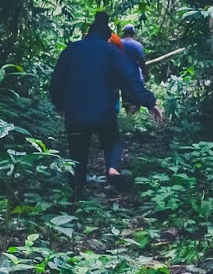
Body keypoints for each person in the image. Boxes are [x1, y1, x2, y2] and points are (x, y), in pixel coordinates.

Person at [50, 12, 162, 193]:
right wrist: (149, 102)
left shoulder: (71, 50)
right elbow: (130, 80)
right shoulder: (112, 51)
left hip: (76, 113)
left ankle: (76, 195)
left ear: (88, 33)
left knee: (77, 156)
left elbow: (56, 81)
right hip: (104, 113)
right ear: (108, 35)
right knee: (112, 141)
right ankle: (112, 167)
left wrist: (59, 105)